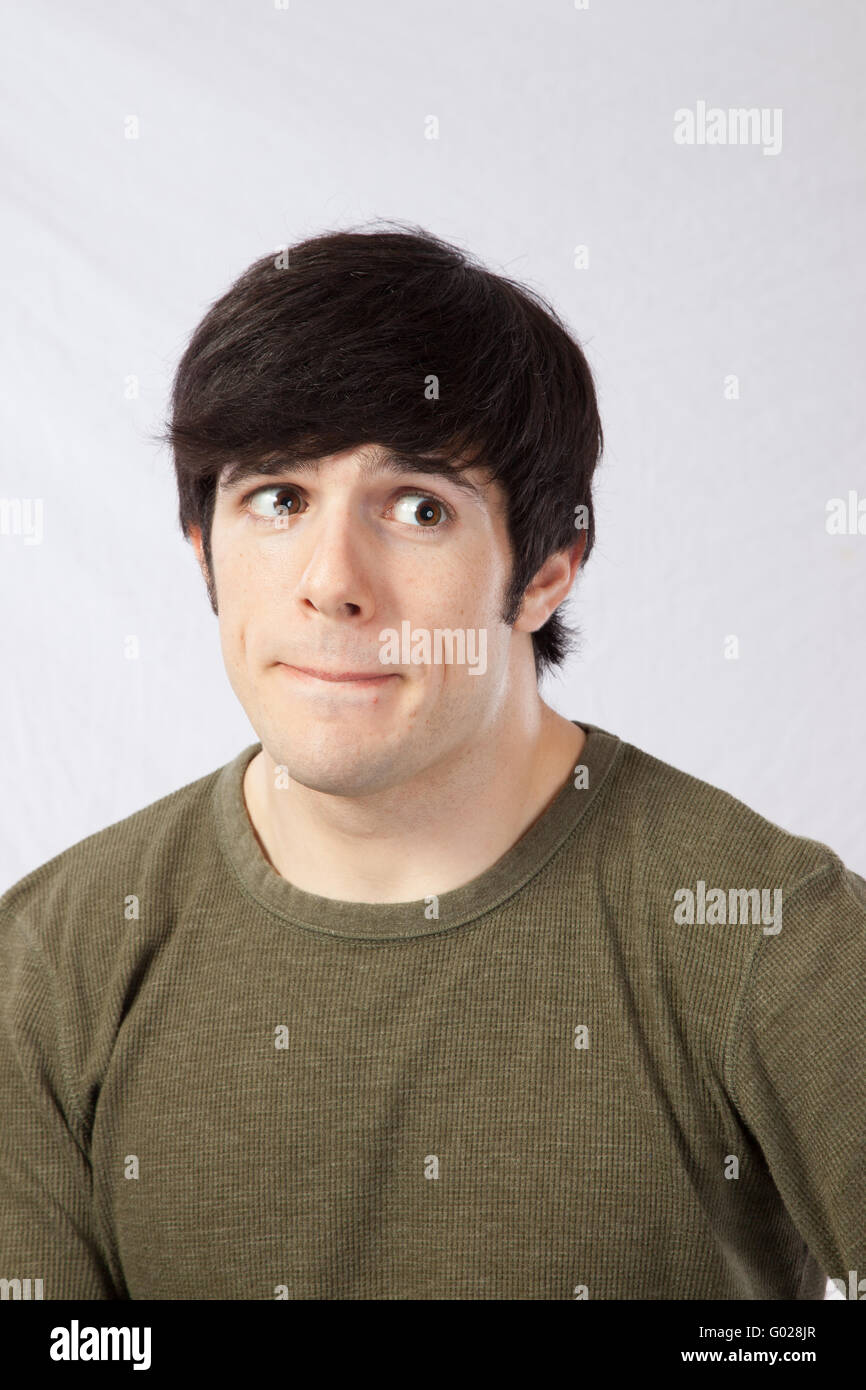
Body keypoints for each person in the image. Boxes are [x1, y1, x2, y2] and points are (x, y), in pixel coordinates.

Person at [1, 223, 864, 1301]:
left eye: (418, 508)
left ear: (546, 571)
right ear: (201, 547)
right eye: (276, 497)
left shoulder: (773, 932)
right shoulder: (43, 967)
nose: (331, 582)